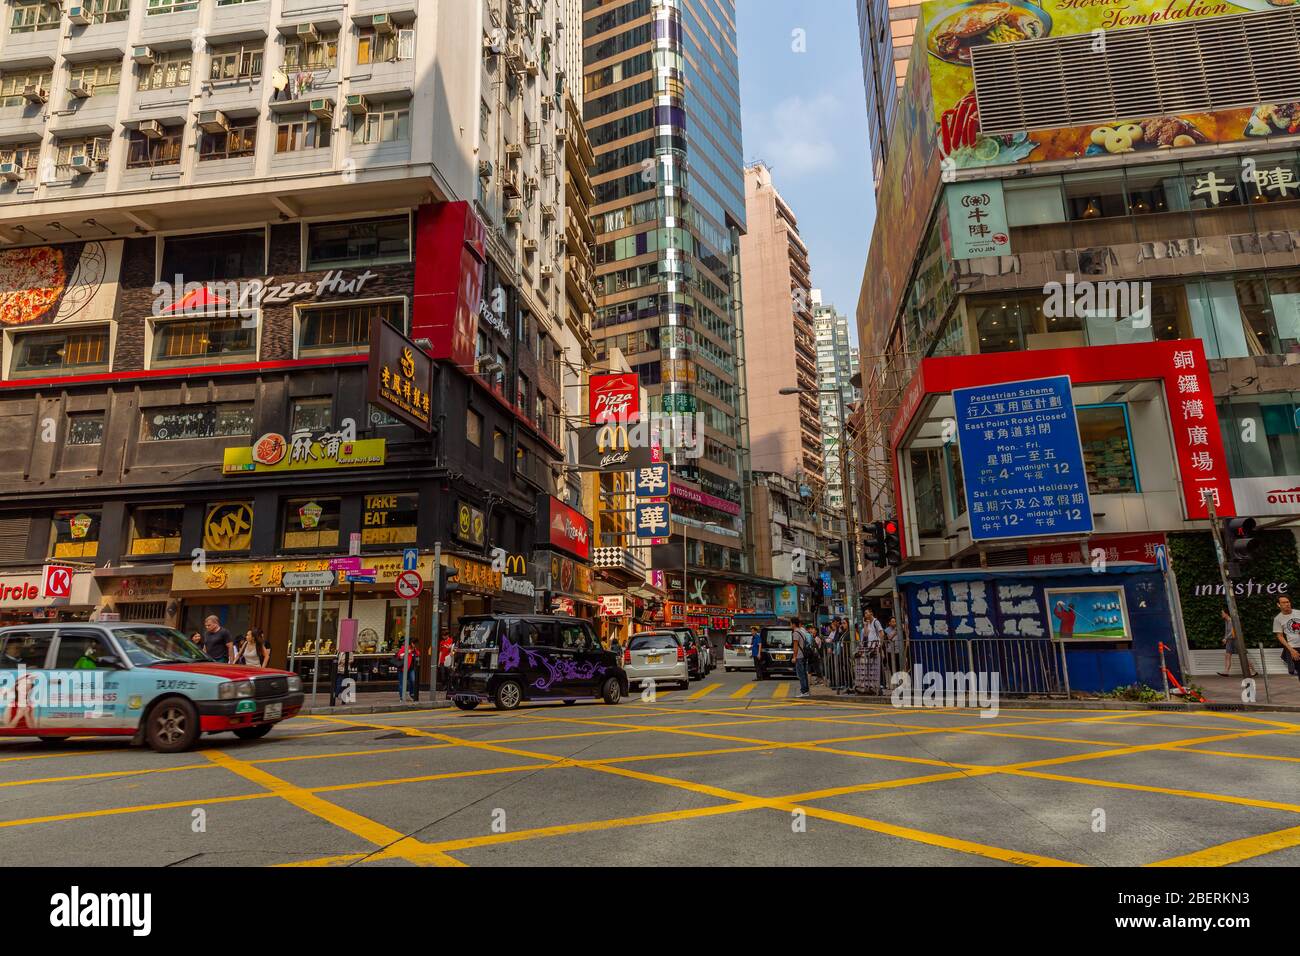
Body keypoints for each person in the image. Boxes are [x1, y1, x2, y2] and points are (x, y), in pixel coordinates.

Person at [1218, 609, 1256, 677]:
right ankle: (1226, 671)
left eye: (1222, 613)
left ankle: (1253, 671)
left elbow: (1233, 632)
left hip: (1236, 640)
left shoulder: (1232, 621)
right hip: (1229, 641)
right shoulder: (1226, 621)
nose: (1221, 614)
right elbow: (1226, 631)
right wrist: (1225, 639)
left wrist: (1225, 638)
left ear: (1227, 613)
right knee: (1227, 656)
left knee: (1243, 657)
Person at [856, 609, 884, 694]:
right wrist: (865, 625)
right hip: (868, 648)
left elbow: (881, 633)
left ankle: (877, 686)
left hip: (875, 648)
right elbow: (865, 635)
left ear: (871, 613)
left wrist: (879, 645)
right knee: (869, 668)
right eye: (864, 613)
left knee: (875, 667)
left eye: (866, 612)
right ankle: (869, 686)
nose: (865, 614)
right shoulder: (868, 624)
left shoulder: (876, 622)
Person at [1273, 595, 1300, 681]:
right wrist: (1291, 650)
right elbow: (1280, 636)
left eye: (1288, 602)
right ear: (1278, 605)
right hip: (1295, 648)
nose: (1287, 604)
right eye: (1283, 603)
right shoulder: (1278, 619)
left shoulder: (1298, 613)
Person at [791, 617, 811, 698]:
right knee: (804, 674)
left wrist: (794, 657)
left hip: (799, 656)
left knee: (801, 674)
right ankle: (806, 690)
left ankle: (804, 691)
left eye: (790, 623)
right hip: (803, 655)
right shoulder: (802, 631)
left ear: (793, 624)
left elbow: (795, 647)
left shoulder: (795, 633)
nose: (790, 625)